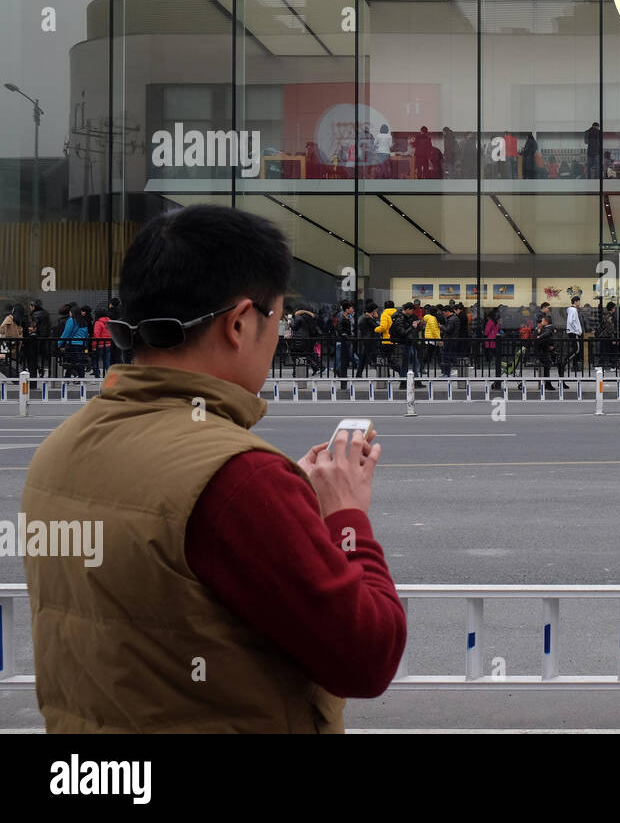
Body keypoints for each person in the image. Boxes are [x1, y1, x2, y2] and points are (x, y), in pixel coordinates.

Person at [21, 205, 405, 732]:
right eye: (277, 318)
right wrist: (345, 519)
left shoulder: (58, 449)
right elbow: (368, 657)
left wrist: (283, 506)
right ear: (240, 322)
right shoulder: (241, 481)